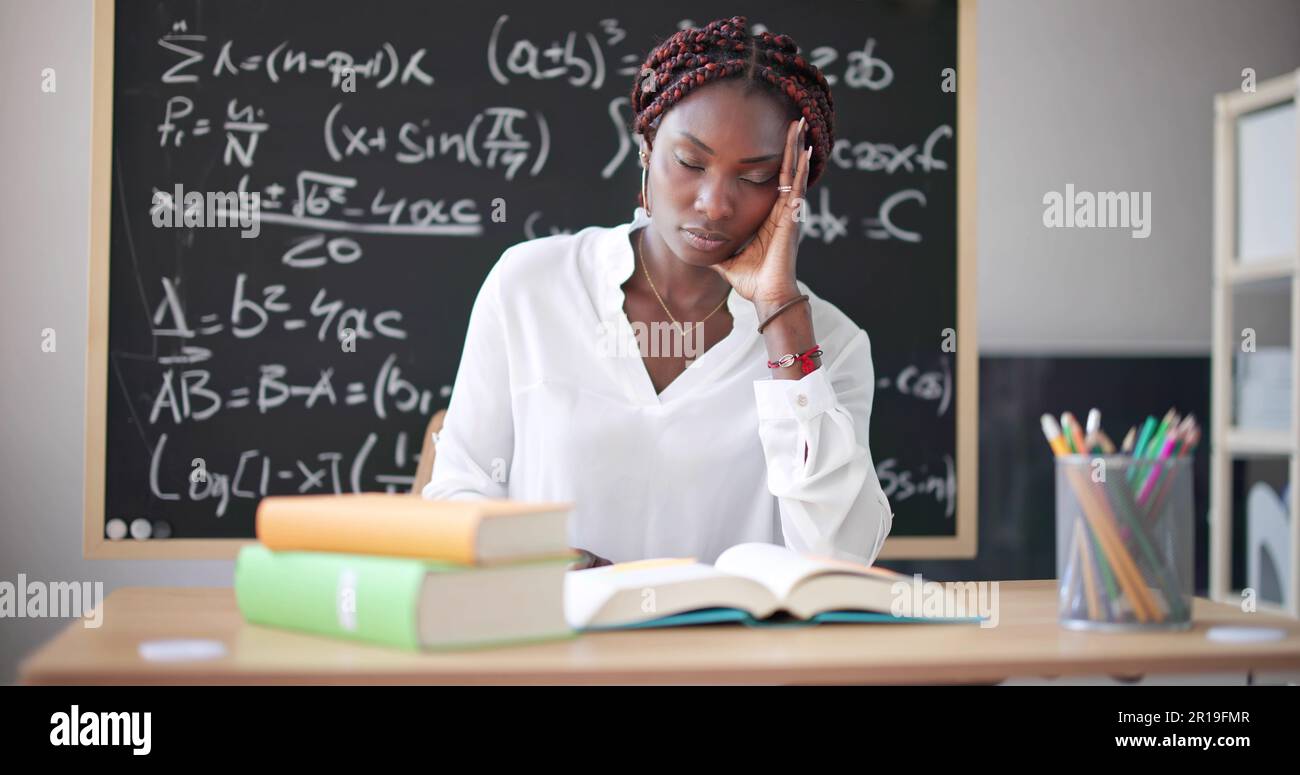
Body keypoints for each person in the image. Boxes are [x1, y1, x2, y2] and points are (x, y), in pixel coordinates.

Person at [423, 16, 893, 570]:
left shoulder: (829, 347)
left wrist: (779, 315)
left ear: (794, 183)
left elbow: (836, 557)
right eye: (690, 162)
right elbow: (458, 494)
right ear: (647, 145)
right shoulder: (530, 286)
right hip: (550, 640)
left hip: (726, 653)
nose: (715, 203)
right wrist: (554, 562)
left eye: (756, 176)